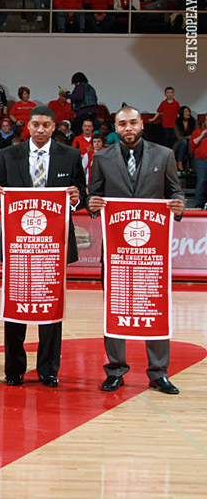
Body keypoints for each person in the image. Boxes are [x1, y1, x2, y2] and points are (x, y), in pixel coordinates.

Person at [88, 107, 184, 394]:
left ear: (142, 124)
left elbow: (175, 192)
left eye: (132, 122)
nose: (128, 127)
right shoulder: (102, 157)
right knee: (116, 307)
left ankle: (158, 372)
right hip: (118, 249)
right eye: (122, 124)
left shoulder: (164, 154)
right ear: (115, 128)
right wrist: (93, 205)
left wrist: (178, 206)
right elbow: (94, 194)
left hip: (152, 252)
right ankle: (115, 369)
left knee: (154, 306)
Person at [0, 106, 86, 388]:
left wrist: (76, 196)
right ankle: (14, 369)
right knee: (15, 308)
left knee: (51, 310)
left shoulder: (70, 155)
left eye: (46, 124)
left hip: (53, 245)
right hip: (18, 244)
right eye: (36, 124)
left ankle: (48, 370)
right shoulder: (8, 154)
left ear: (54, 126)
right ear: (28, 127)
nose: (41, 129)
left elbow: (80, 192)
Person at [190, 115, 207, 209]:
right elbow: (193, 143)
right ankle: (198, 204)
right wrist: (202, 135)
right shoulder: (197, 132)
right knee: (202, 181)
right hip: (201, 159)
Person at [174, 106, 196, 172]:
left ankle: (191, 166)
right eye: (186, 112)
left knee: (190, 143)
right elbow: (178, 136)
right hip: (180, 141)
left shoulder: (193, 121)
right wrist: (186, 137)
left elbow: (197, 132)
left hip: (192, 140)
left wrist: (191, 137)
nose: (188, 113)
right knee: (184, 142)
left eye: (189, 111)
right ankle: (179, 162)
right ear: (182, 113)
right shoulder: (177, 122)